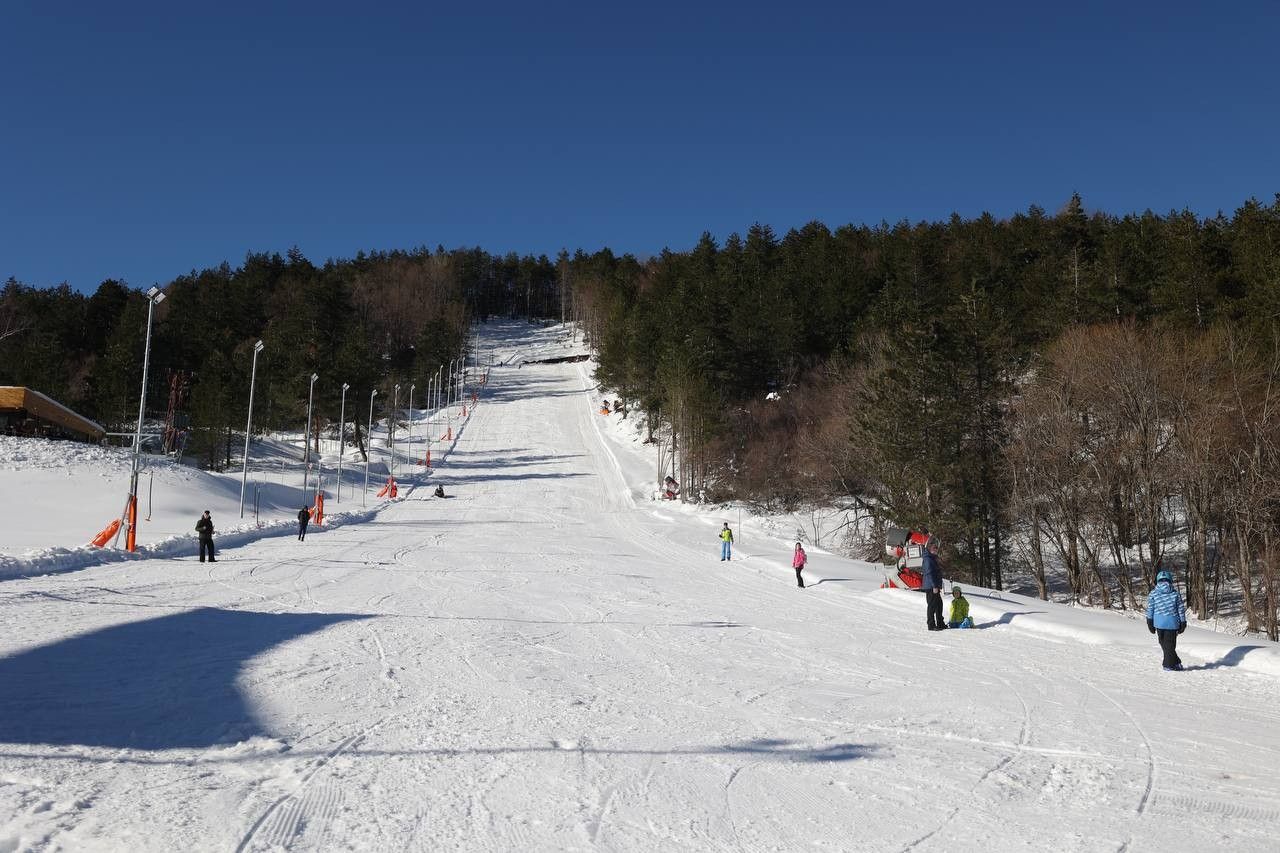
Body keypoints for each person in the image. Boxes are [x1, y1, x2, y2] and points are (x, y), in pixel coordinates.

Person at [1146, 568, 1187, 671]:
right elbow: (1180, 609)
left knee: (1164, 643)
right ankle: (1174, 663)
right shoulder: (1175, 594)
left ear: (1157, 581)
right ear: (1170, 581)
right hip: (1172, 624)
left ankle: (1168, 665)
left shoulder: (1153, 593)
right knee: (1169, 645)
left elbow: (1150, 609)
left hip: (1159, 623)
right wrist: (1183, 622)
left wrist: (1149, 622)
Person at [922, 536, 945, 631]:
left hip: (935, 586)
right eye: (934, 549)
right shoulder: (928, 559)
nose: (935, 551)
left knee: (939, 604)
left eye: (936, 549)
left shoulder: (932, 558)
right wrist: (934, 586)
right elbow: (929, 573)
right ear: (930, 548)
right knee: (932, 605)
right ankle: (931, 625)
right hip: (931, 586)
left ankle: (940, 622)